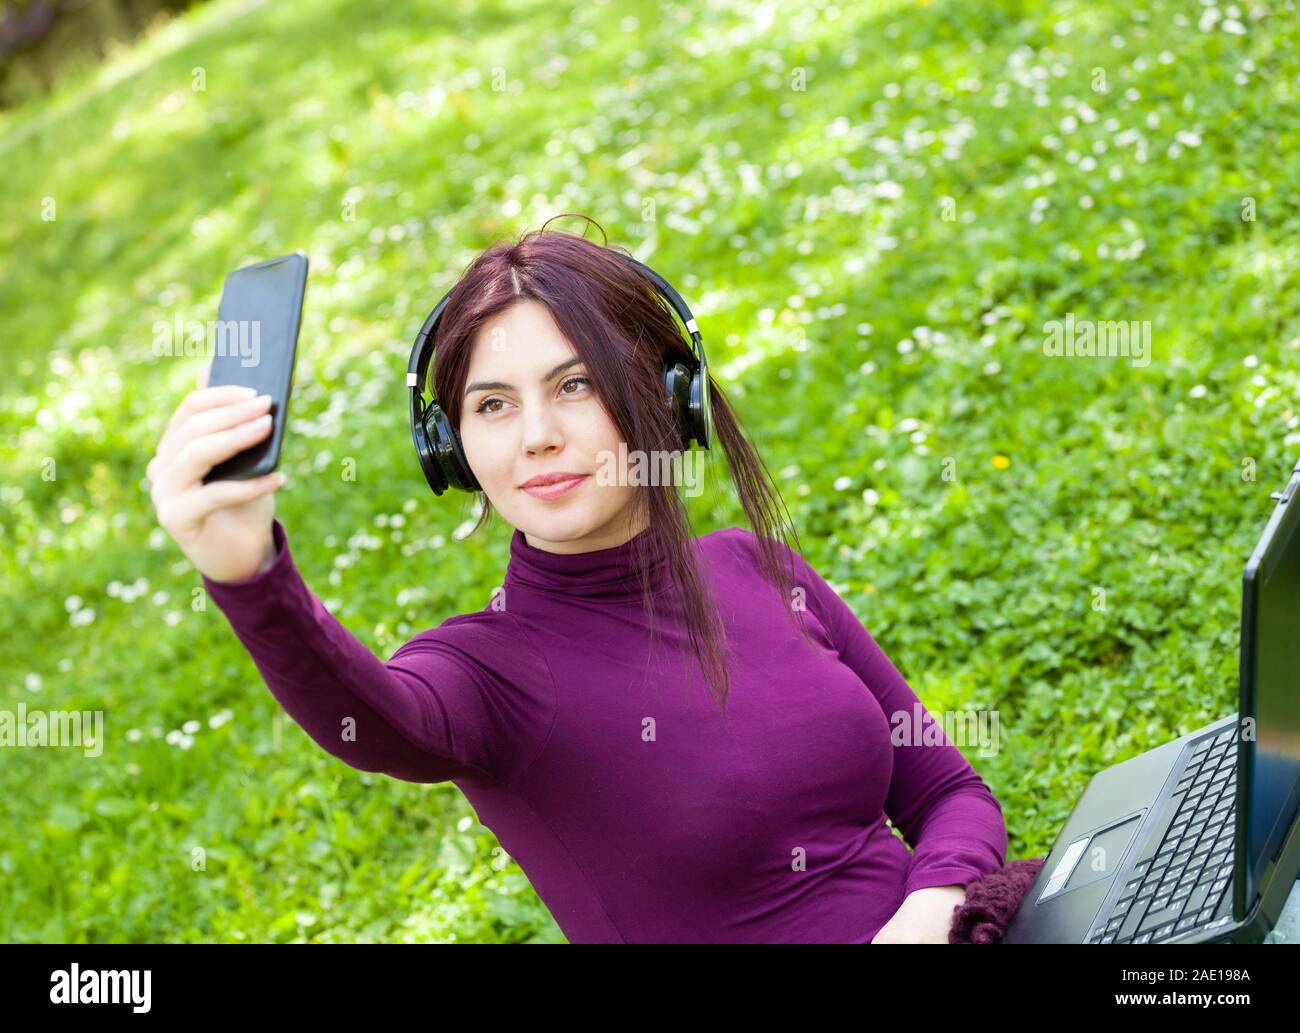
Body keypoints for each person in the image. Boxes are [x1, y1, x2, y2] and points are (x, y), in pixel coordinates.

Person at [146, 217, 1008, 943]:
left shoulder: (756, 565)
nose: (537, 436)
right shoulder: (488, 672)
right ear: (450, 449)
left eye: (576, 384)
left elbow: (946, 791)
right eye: (492, 405)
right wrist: (248, 573)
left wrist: (932, 905)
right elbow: (371, 716)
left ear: (669, 396)